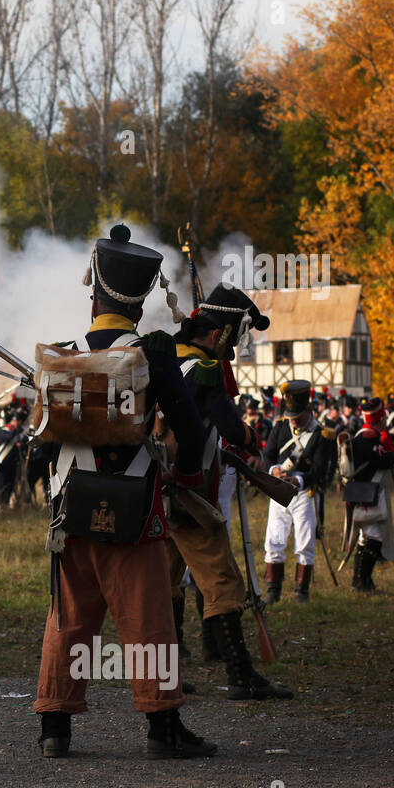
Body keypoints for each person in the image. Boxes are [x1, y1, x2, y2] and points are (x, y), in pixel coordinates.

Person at [34, 223, 215, 759]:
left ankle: (54, 726)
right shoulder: (155, 355)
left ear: (95, 292)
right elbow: (192, 430)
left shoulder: (63, 356)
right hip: (134, 509)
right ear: (139, 303)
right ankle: (162, 728)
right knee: (148, 617)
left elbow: (43, 444)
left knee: (69, 616)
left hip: (71, 510)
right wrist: (183, 484)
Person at [168, 283, 292, 700]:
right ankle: (240, 675)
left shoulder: (166, 360)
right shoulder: (203, 370)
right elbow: (232, 428)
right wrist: (250, 436)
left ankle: (165, 676)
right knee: (222, 580)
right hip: (189, 493)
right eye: (235, 333)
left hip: (158, 492)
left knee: (165, 582)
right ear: (219, 332)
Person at [261, 380, 336, 604]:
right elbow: (268, 455)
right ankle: (273, 590)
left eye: (297, 415)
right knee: (274, 540)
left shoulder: (323, 435)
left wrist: (299, 479)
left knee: (305, 543)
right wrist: (274, 470)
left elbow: (321, 470)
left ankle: (301, 592)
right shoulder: (280, 427)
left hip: (304, 494)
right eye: (291, 415)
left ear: (309, 410)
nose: (293, 419)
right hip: (279, 491)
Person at [343, 397, 394, 592]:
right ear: (379, 419)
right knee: (374, 538)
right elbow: (388, 460)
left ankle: (361, 582)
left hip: (363, 493)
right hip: (369, 494)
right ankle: (362, 583)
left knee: (365, 538)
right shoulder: (369, 438)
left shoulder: (361, 436)